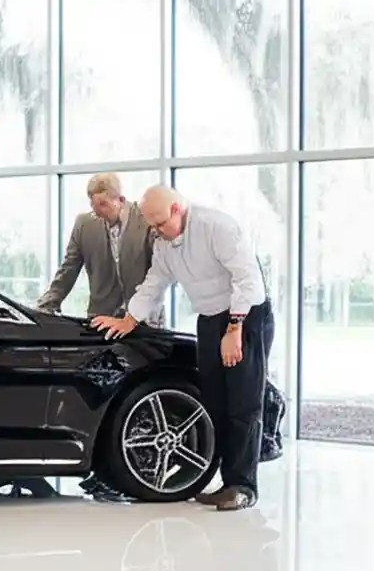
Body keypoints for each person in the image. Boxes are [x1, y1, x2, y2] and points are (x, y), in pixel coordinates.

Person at [93, 185, 273, 512]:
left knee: (242, 403)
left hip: (246, 314)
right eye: (152, 226)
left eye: (160, 223)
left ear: (177, 209)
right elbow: (154, 284)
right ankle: (224, 480)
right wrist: (128, 320)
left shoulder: (218, 227)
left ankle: (243, 486)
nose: (156, 232)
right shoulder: (165, 244)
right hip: (209, 317)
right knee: (215, 400)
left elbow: (249, 282)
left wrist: (234, 329)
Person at [35, 173, 165, 326]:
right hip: (101, 320)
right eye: (93, 205)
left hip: (144, 321)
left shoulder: (145, 220)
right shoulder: (84, 225)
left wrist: (134, 312)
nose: (97, 211)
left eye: (103, 205)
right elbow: (68, 269)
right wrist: (45, 306)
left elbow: (160, 272)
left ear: (121, 200)